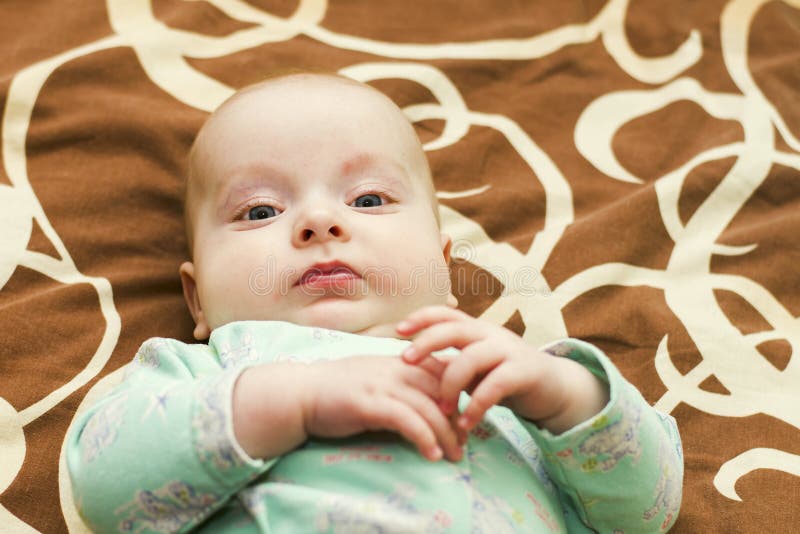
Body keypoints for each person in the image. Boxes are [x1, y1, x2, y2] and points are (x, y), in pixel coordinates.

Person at [66, 72, 683, 533]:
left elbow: (647, 509)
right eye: (259, 211)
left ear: (443, 270)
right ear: (197, 299)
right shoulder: (207, 374)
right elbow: (104, 486)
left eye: (367, 200)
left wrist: (565, 395)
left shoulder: (497, 379)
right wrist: (293, 402)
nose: (317, 220)